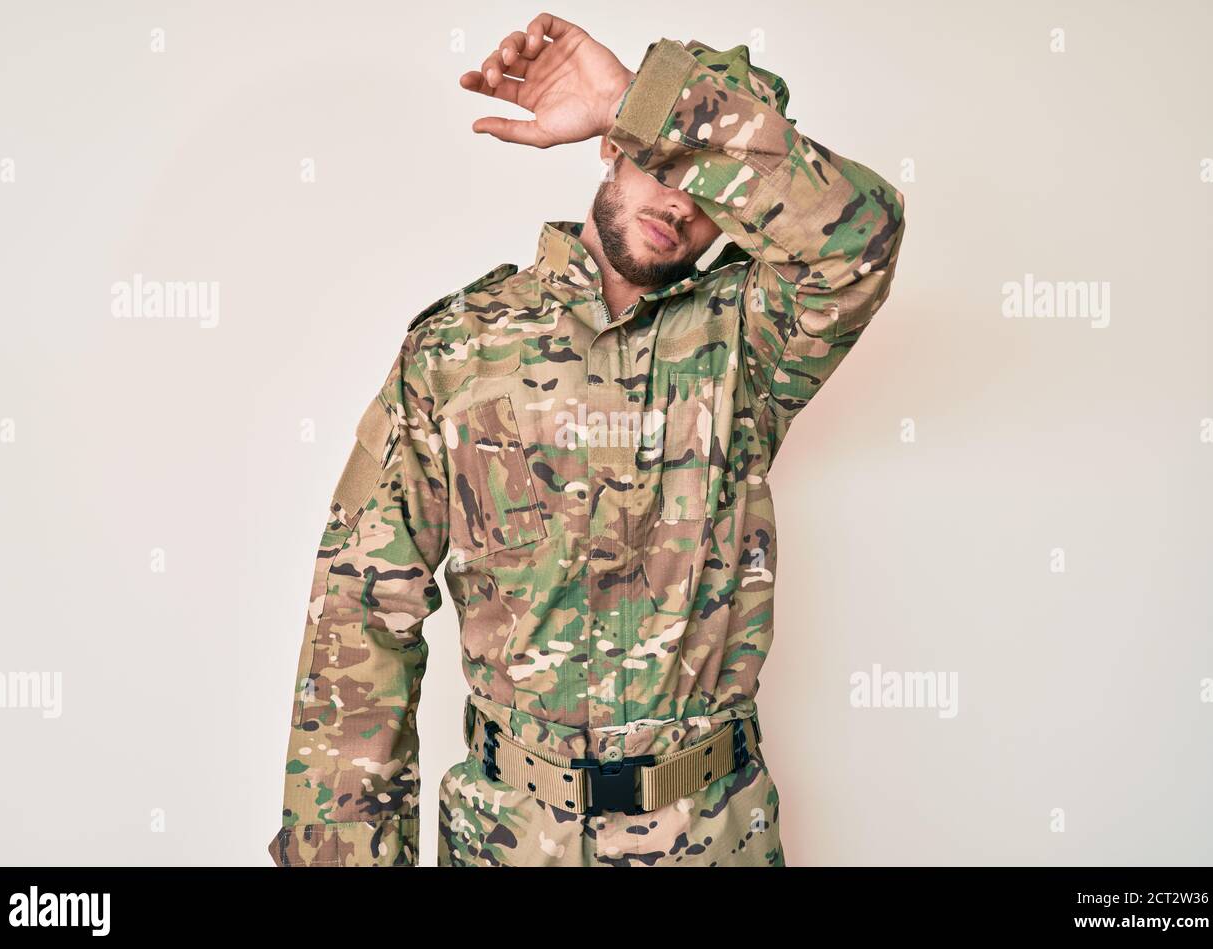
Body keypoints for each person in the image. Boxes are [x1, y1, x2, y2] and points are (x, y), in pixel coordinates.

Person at [266, 11, 906, 867]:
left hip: (708, 840)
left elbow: (860, 241)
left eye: (710, 184)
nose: (681, 202)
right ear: (613, 150)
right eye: (659, 163)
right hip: (505, 841)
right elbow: (360, 604)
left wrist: (644, 104)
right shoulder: (460, 348)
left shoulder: (750, 342)